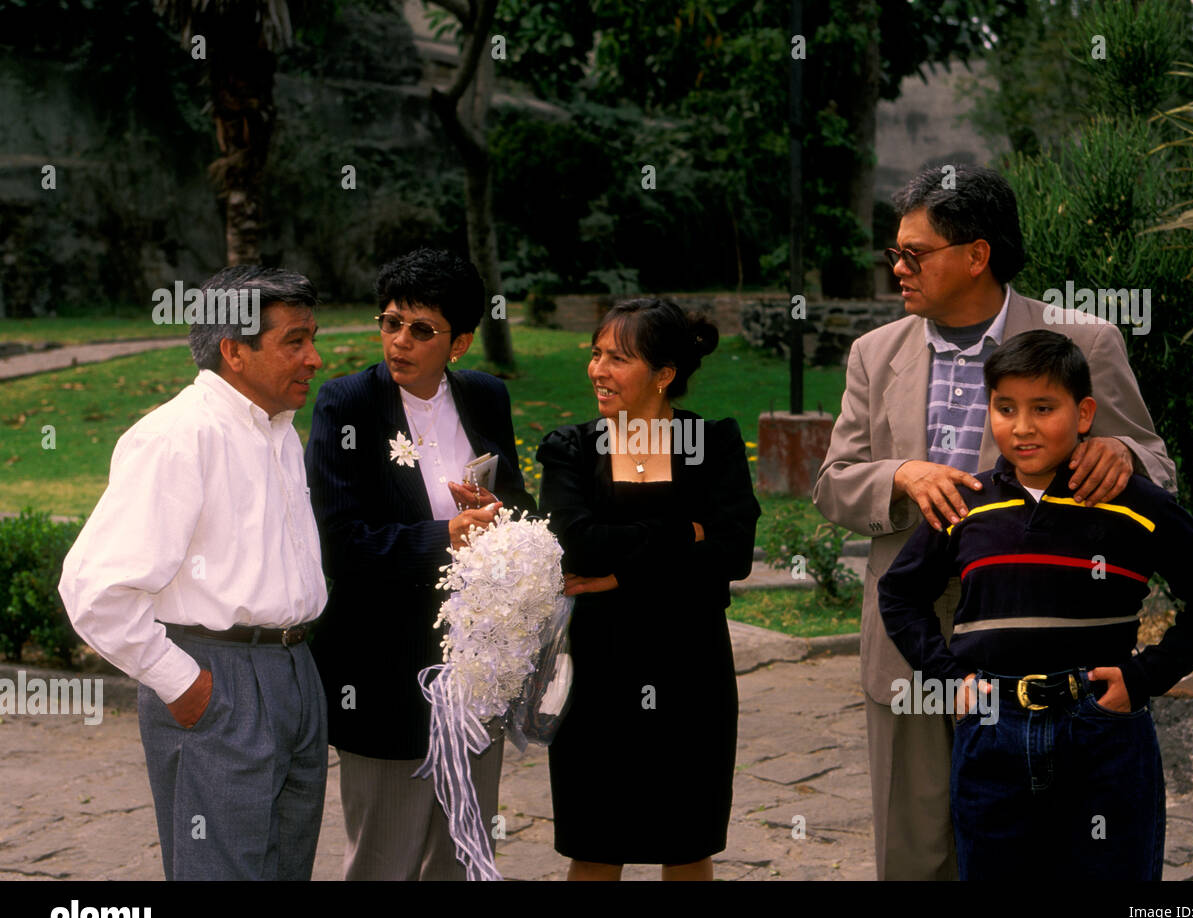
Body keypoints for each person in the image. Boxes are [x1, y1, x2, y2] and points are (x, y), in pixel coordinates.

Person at [811, 163, 1177, 880]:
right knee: (915, 857)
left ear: (976, 254)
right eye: (894, 252)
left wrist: (1119, 455)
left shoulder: (1086, 340)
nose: (897, 269)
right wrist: (899, 477)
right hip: (908, 646)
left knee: (1038, 857)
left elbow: (1154, 463)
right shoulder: (873, 353)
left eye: (913, 254)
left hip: (1036, 653)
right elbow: (832, 484)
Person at [876, 330, 1193, 879]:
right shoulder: (967, 504)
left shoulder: (1135, 502)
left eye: (1043, 408)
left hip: (1101, 731)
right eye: (1005, 408)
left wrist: (1143, 678)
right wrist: (949, 675)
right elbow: (900, 592)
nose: (1022, 427)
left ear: (1084, 412)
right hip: (990, 732)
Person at [59, 265, 329, 880]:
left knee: (287, 870)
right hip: (219, 678)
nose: (315, 358)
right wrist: (181, 683)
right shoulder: (177, 438)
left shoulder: (278, 429)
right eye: (295, 340)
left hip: (295, 674)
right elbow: (93, 588)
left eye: (312, 337)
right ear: (234, 351)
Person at [304, 247, 535, 881]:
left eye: (421, 329)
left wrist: (496, 513)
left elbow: (520, 508)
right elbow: (341, 543)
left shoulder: (486, 397)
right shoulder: (345, 405)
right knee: (384, 858)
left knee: (460, 852)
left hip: (475, 665)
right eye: (390, 322)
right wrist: (446, 537)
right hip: (382, 669)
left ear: (459, 343)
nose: (399, 341)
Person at [537, 297, 760, 881]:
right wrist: (681, 532)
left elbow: (732, 554)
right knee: (594, 844)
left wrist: (618, 574)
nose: (598, 370)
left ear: (664, 375)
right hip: (598, 671)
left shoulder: (712, 444)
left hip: (691, 670)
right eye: (596, 354)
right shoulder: (571, 449)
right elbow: (573, 546)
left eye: (618, 358)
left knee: (687, 843)